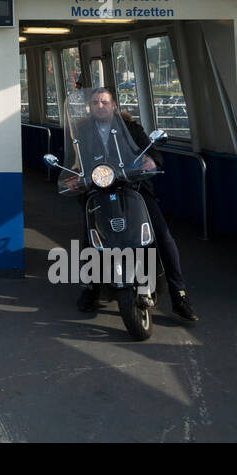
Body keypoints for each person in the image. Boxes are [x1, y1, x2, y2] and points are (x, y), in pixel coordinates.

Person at [63, 86, 198, 322]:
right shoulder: (82, 132)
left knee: (162, 234)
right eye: (95, 102)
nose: (100, 106)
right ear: (90, 107)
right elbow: (75, 161)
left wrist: (150, 163)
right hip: (98, 190)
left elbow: (153, 153)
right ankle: (91, 288)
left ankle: (179, 294)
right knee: (90, 236)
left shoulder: (131, 128)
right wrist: (73, 176)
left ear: (114, 105)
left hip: (133, 187)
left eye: (104, 102)